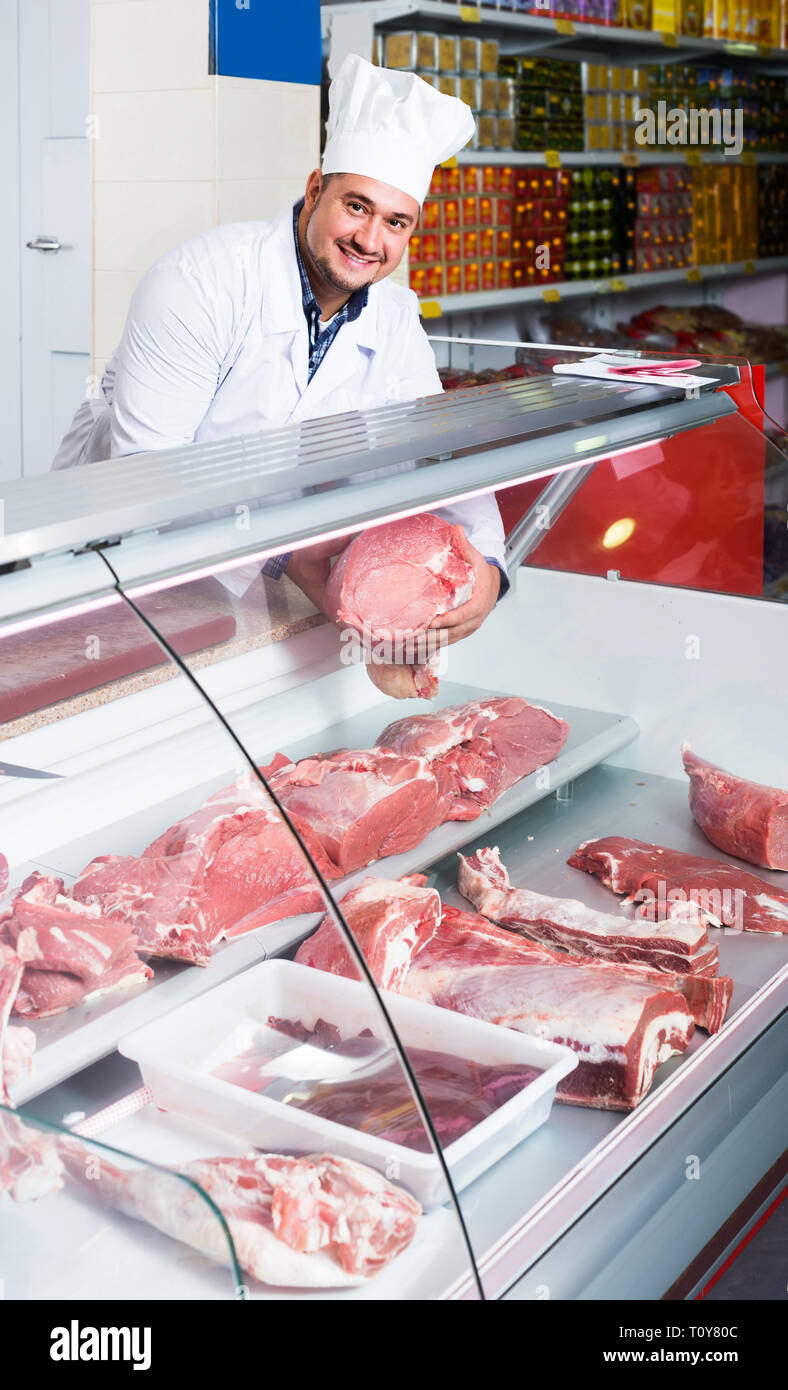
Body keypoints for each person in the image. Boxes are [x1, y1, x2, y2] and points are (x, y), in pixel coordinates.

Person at [52, 55, 508, 676]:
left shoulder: (394, 316)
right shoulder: (200, 282)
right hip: (125, 566)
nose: (370, 241)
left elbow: (438, 457)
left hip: (259, 579)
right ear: (315, 188)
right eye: (356, 207)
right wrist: (288, 554)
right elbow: (151, 477)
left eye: (395, 223)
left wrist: (488, 570)